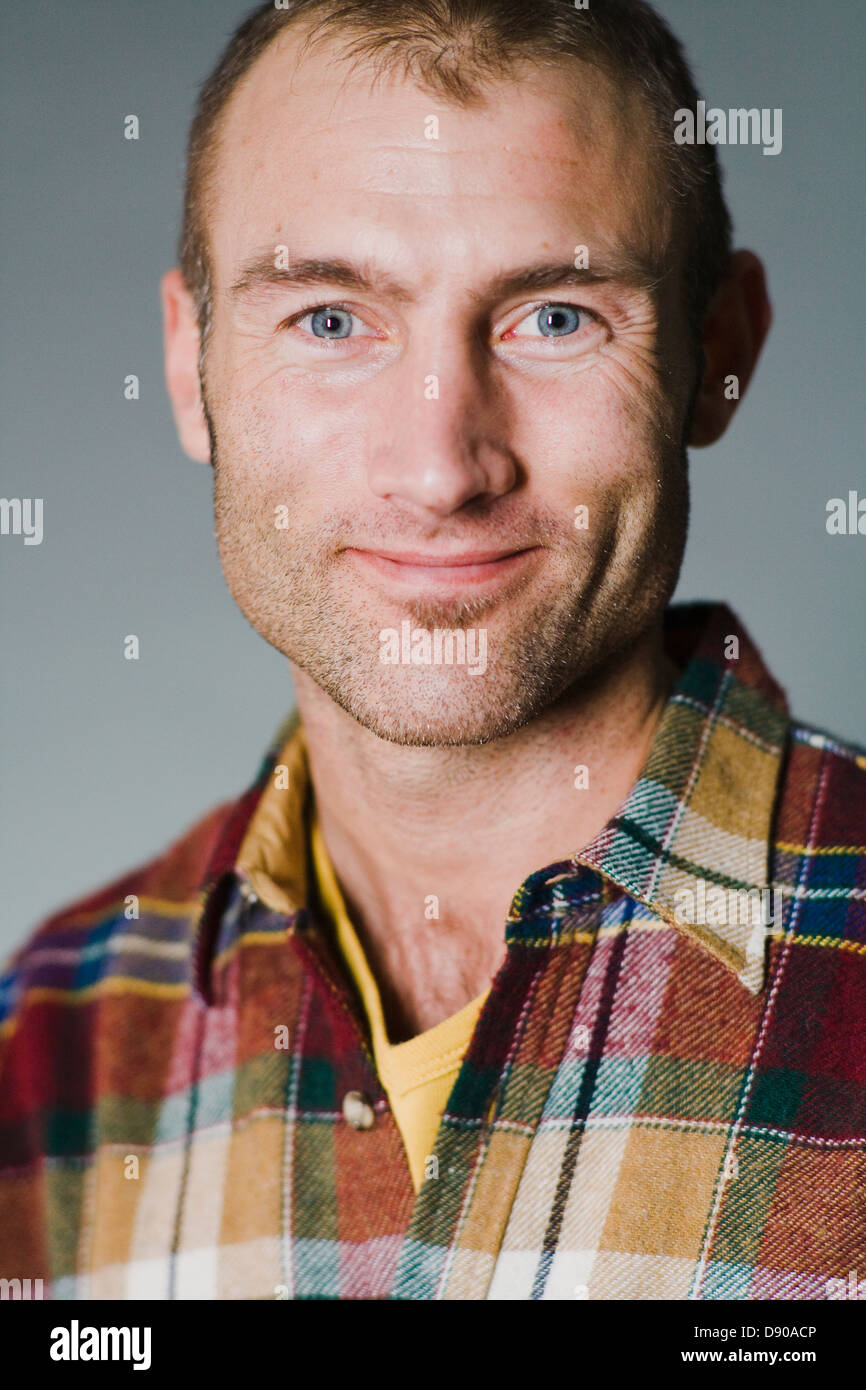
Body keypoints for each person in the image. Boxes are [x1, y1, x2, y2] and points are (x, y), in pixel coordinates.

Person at [1, 0, 864, 1302]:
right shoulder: (54, 1031)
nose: (440, 465)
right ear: (190, 364)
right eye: (332, 320)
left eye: (555, 317)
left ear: (717, 355)